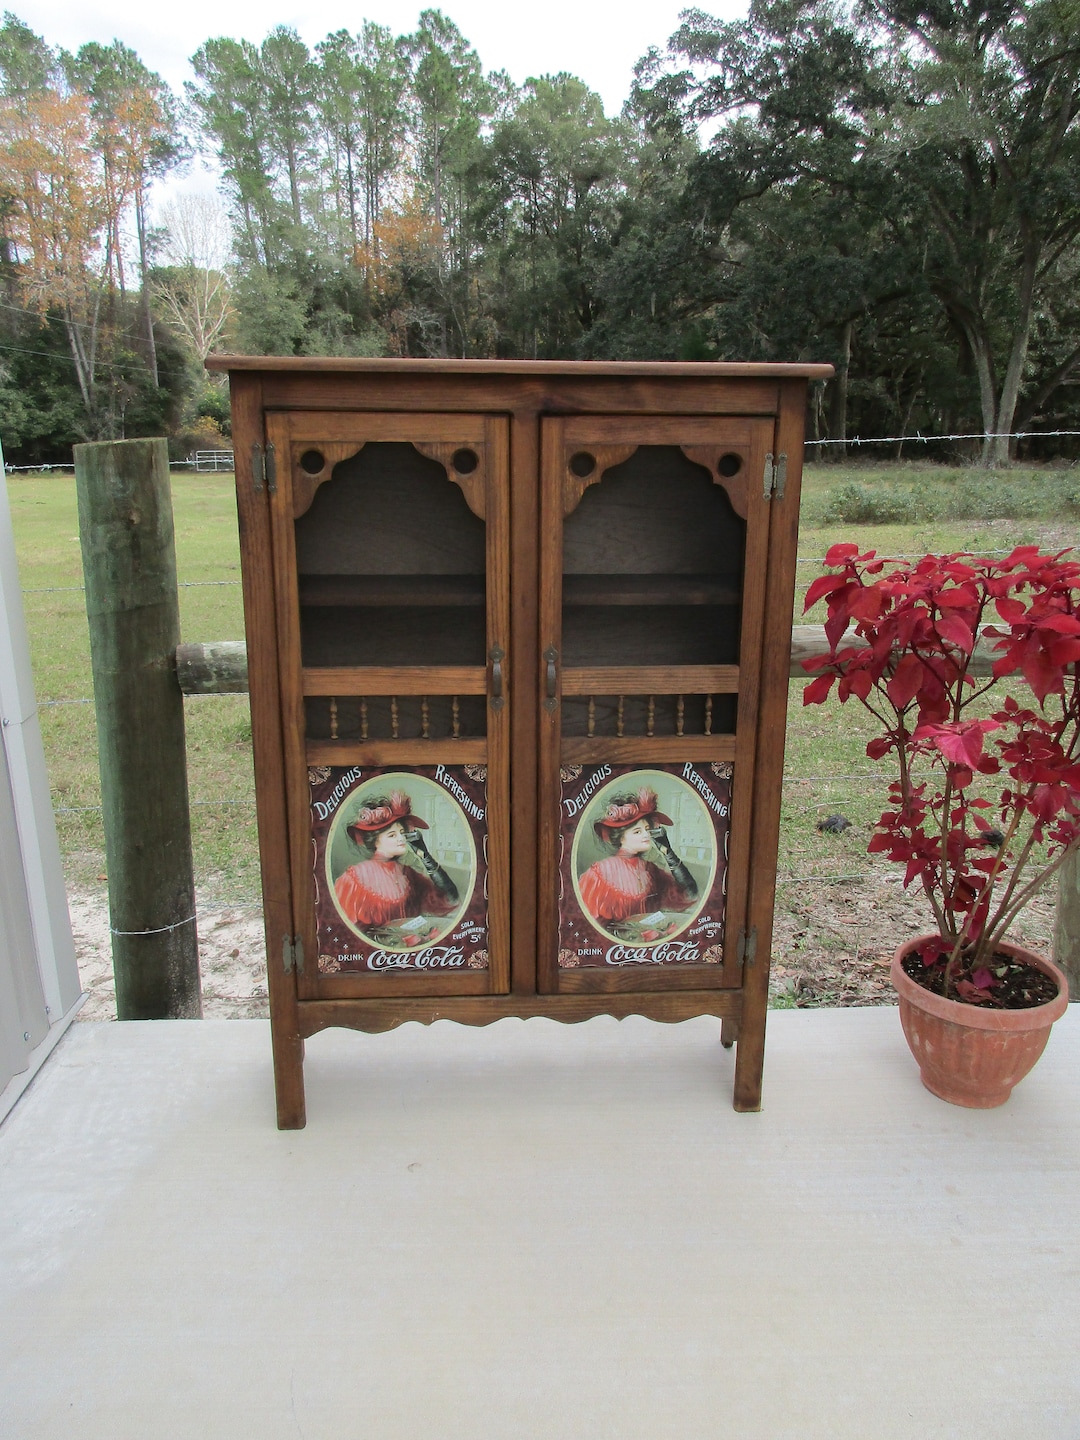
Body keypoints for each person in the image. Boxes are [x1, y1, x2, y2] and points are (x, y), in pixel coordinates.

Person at [334, 790, 458, 933]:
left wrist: (426, 856)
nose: (401, 838)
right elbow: (343, 930)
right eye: (392, 835)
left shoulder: (408, 874)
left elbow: (450, 899)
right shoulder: (353, 878)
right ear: (375, 841)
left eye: (402, 833)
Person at [578, 787, 698, 931]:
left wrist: (668, 852)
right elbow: (587, 925)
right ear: (621, 838)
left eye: (647, 830)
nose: (646, 835)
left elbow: (689, 894)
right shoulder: (600, 872)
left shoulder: (651, 869)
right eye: (637, 832)